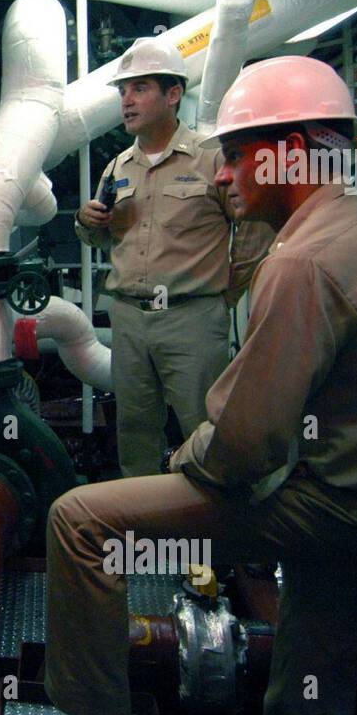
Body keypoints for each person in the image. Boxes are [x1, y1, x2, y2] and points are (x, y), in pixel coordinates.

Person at [19, 56, 357, 715]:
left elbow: (243, 446)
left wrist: (185, 456)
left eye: (235, 156)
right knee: (315, 679)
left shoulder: (303, 261)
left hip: (327, 505)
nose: (223, 175)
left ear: (291, 153)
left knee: (80, 521)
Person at [76, 38, 273, 476]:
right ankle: (147, 526)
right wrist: (88, 223)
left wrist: (223, 293)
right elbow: (101, 241)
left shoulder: (212, 158)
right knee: (135, 429)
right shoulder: (117, 167)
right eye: (123, 90)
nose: (127, 100)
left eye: (140, 88)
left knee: (204, 429)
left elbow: (255, 230)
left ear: (173, 94)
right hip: (128, 317)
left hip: (192, 319)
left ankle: (211, 525)